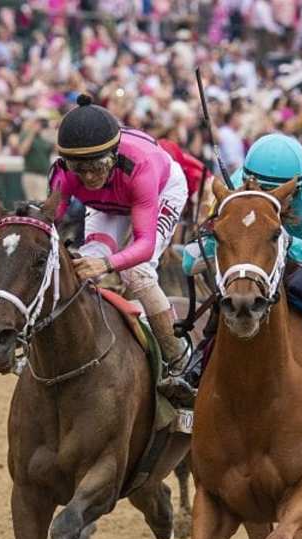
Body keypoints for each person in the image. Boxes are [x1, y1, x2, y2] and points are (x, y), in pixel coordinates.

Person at [180, 133, 302, 404]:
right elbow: (190, 261)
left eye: (279, 195)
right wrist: (225, 238)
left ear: (296, 188)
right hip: (254, 262)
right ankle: (200, 357)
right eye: (261, 190)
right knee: (229, 286)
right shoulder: (236, 187)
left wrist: (284, 241)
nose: (269, 200)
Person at [48, 94, 188, 369]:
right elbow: (48, 225)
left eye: (97, 166)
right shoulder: (62, 174)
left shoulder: (140, 165)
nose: (89, 177)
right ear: (67, 163)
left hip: (161, 191)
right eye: (80, 168)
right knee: (84, 263)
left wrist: (107, 263)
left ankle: (178, 359)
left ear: (113, 155)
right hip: (109, 202)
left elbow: (145, 244)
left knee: (137, 271)